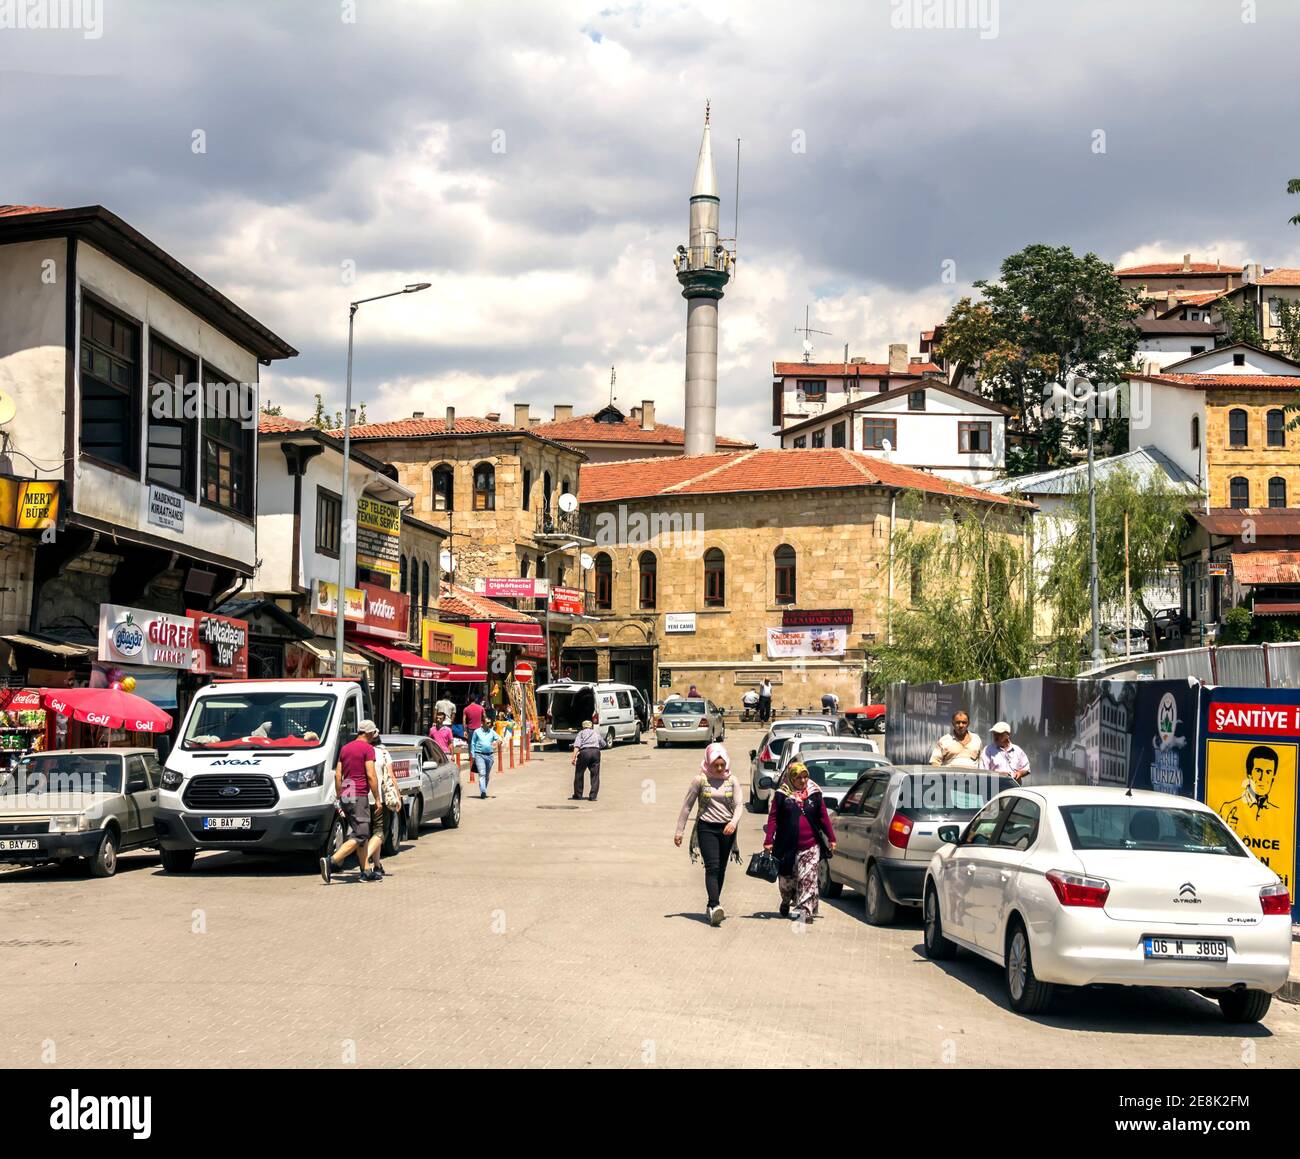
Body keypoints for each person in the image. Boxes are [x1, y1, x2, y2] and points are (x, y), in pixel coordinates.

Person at [674, 742, 742, 927]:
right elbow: (687, 806)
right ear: (708, 763)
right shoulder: (700, 780)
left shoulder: (732, 780)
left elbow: (739, 805)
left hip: (727, 829)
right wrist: (679, 832)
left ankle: (711, 906)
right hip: (706, 828)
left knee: (721, 868)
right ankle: (715, 904)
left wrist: (733, 823)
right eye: (715, 765)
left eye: (722, 765)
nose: (719, 769)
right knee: (712, 866)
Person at [763, 760, 836, 922]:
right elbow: (773, 818)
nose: (803, 781)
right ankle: (786, 899)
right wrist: (769, 840)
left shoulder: (814, 792)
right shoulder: (782, 794)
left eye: (805, 777)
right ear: (791, 778)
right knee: (786, 881)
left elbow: (823, 817)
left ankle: (805, 912)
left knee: (807, 878)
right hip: (786, 847)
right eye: (799, 778)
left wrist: (831, 838)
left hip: (810, 845)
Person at [321, 720, 380, 883]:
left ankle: (366, 871)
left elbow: (338, 775)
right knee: (362, 833)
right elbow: (371, 775)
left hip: (347, 791)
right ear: (369, 733)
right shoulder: (368, 749)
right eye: (373, 733)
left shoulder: (345, 748)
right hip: (359, 793)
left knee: (358, 832)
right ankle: (331, 861)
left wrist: (340, 796)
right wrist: (377, 798)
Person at [367, 733, 403, 878]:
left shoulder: (362, 751)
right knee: (380, 832)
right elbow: (391, 775)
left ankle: (377, 865)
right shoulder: (383, 753)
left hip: (362, 798)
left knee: (372, 832)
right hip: (379, 799)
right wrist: (398, 795)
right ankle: (365, 861)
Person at [570, 718, 606, 801]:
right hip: (596, 752)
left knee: (579, 773)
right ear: (591, 726)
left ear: (583, 727)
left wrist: (573, 757)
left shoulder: (581, 733)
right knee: (595, 775)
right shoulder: (595, 733)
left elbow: (577, 746)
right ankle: (593, 796)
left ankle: (578, 795)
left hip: (584, 753)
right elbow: (603, 744)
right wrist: (596, 747)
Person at [470, 717, 498, 798]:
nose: (489, 724)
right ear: (482, 723)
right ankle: (483, 791)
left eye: (490, 723)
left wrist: (498, 741)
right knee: (482, 773)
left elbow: (498, 738)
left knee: (487, 775)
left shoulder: (492, 732)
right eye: (487, 723)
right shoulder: (477, 732)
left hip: (490, 756)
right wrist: (473, 754)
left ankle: (484, 789)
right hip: (479, 755)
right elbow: (473, 743)